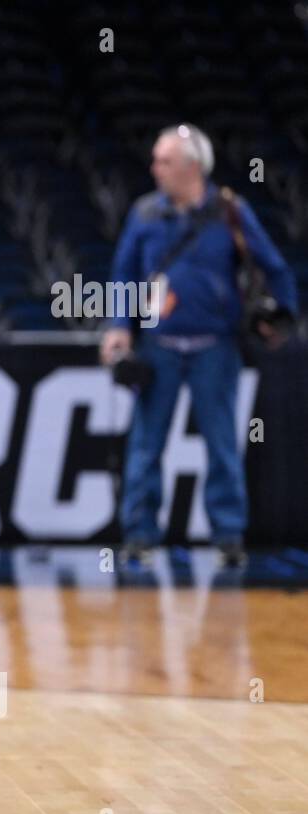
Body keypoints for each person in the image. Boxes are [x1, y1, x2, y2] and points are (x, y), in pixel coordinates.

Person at [100, 124, 298, 568]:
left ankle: (228, 536)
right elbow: (123, 276)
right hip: (158, 344)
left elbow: (276, 267)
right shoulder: (145, 213)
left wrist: (282, 314)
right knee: (147, 444)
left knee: (221, 442)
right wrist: (118, 327)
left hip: (215, 345)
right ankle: (140, 535)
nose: (154, 169)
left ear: (192, 168)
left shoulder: (231, 212)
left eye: (164, 161)